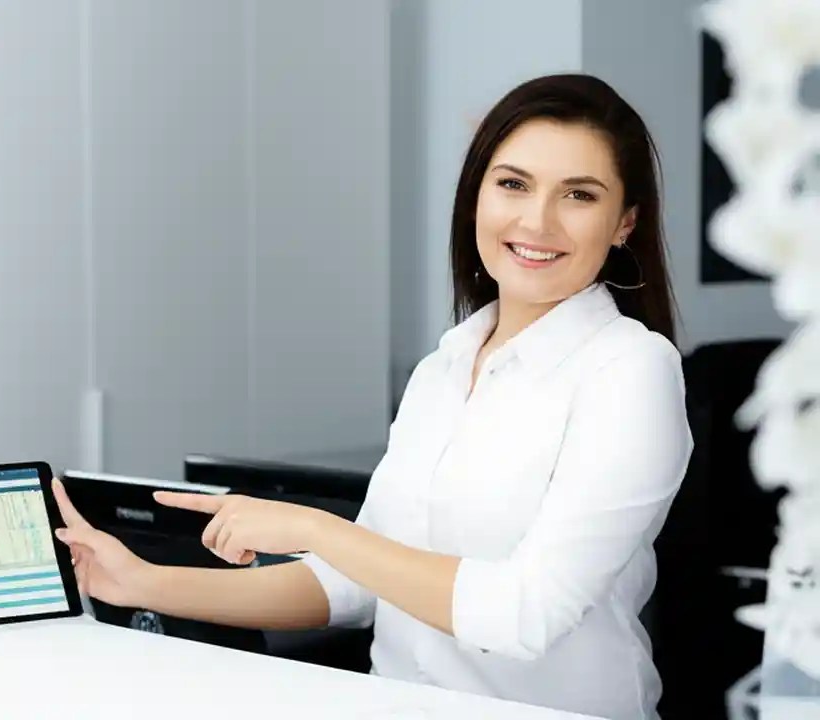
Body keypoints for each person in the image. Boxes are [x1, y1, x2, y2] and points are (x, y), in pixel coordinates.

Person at [51, 73, 692, 720]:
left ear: (623, 224)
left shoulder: (632, 372)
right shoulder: (442, 371)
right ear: (476, 196)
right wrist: (143, 581)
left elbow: (527, 614)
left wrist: (312, 528)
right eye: (513, 184)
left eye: (578, 195)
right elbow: (355, 584)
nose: (536, 219)